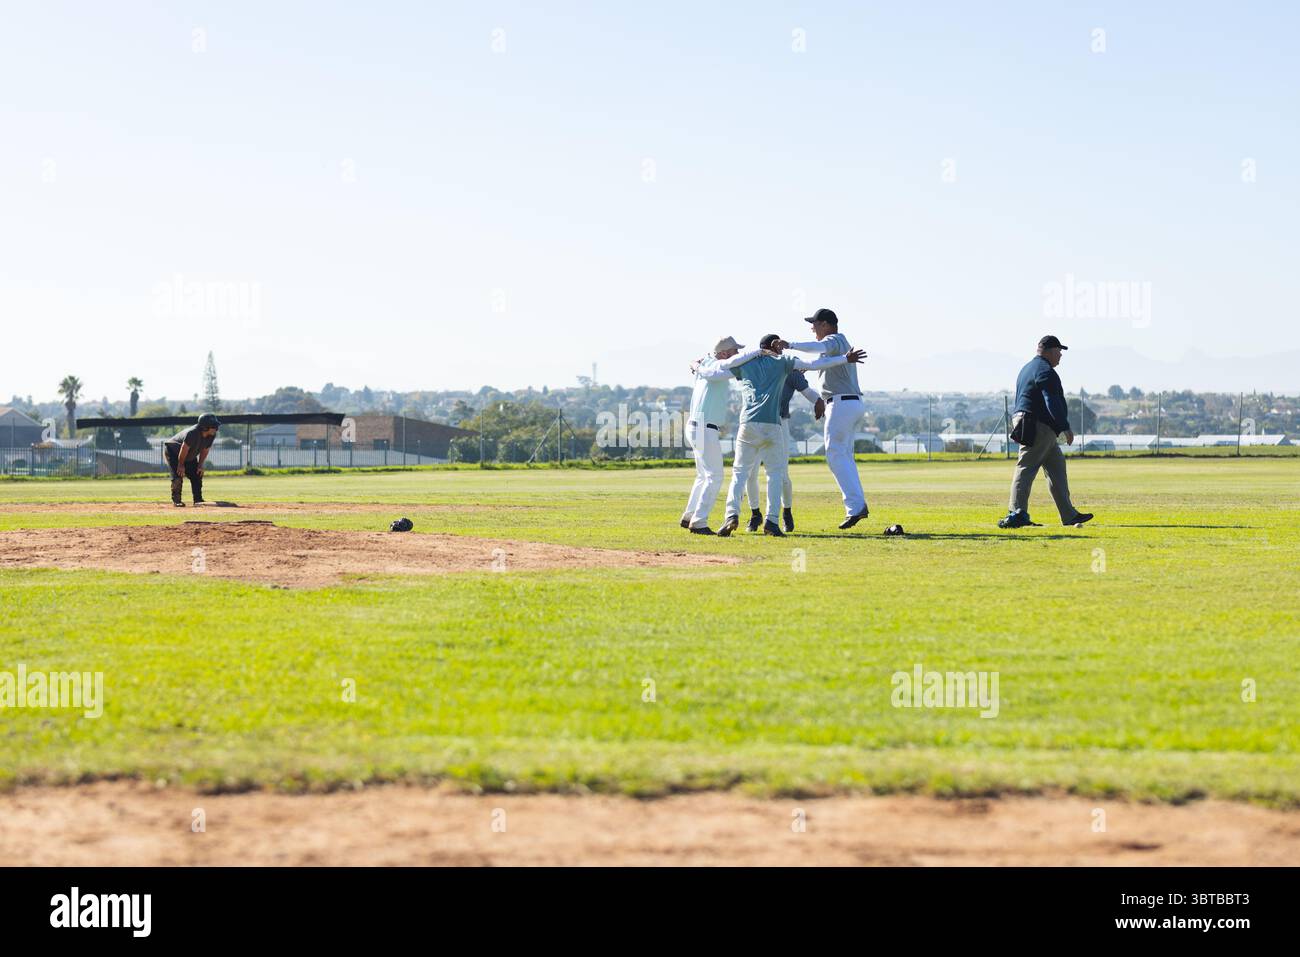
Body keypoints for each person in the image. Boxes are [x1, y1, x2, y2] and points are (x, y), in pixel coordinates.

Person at [715, 337, 865, 537]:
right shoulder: (783, 362)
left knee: (740, 473)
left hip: (748, 424)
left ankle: (731, 515)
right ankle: (772, 521)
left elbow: (718, 369)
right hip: (773, 423)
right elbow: (814, 364)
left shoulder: (744, 363)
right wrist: (845, 359)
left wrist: (700, 365)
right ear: (774, 347)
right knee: (775, 474)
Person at [776, 308, 870, 529]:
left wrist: (789, 344)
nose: (812, 328)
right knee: (844, 456)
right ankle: (857, 506)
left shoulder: (834, 340)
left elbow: (817, 348)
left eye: (815, 324)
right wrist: (800, 367)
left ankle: (856, 507)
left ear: (826, 324)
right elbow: (816, 363)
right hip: (848, 403)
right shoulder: (835, 347)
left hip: (841, 403)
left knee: (835, 454)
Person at [998, 335, 1094, 528]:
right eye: (1059, 351)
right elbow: (1051, 400)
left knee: (1057, 469)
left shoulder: (1028, 368)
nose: (1060, 355)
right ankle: (1017, 512)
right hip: (1037, 425)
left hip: (1033, 423)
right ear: (1049, 351)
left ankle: (1069, 515)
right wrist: (1064, 426)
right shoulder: (1045, 371)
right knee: (1026, 467)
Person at [742, 334, 825, 532]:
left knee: (782, 475)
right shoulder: (754, 366)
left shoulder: (789, 369)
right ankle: (755, 514)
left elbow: (809, 393)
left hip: (780, 423)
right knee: (750, 474)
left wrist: (819, 401)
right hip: (754, 423)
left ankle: (786, 511)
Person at [680, 337, 762, 534]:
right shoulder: (715, 368)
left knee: (703, 475)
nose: (736, 354)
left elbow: (721, 365)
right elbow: (729, 366)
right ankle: (699, 522)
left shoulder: (706, 363)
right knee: (715, 476)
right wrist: (759, 352)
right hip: (704, 427)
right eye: (734, 351)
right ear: (724, 353)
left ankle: (689, 515)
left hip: (695, 425)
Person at [164, 413, 221, 507]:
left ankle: (198, 500)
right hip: (173, 452)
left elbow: (205, 450)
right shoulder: (192, 433)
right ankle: (177, 501)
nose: (216, 428)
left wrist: (200, 465)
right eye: (213, 426)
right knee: (178, 476)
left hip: (189, 455)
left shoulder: (211, 435)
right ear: (205, 427)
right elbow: (183, 449)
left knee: (197, 474)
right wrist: (181, 465)